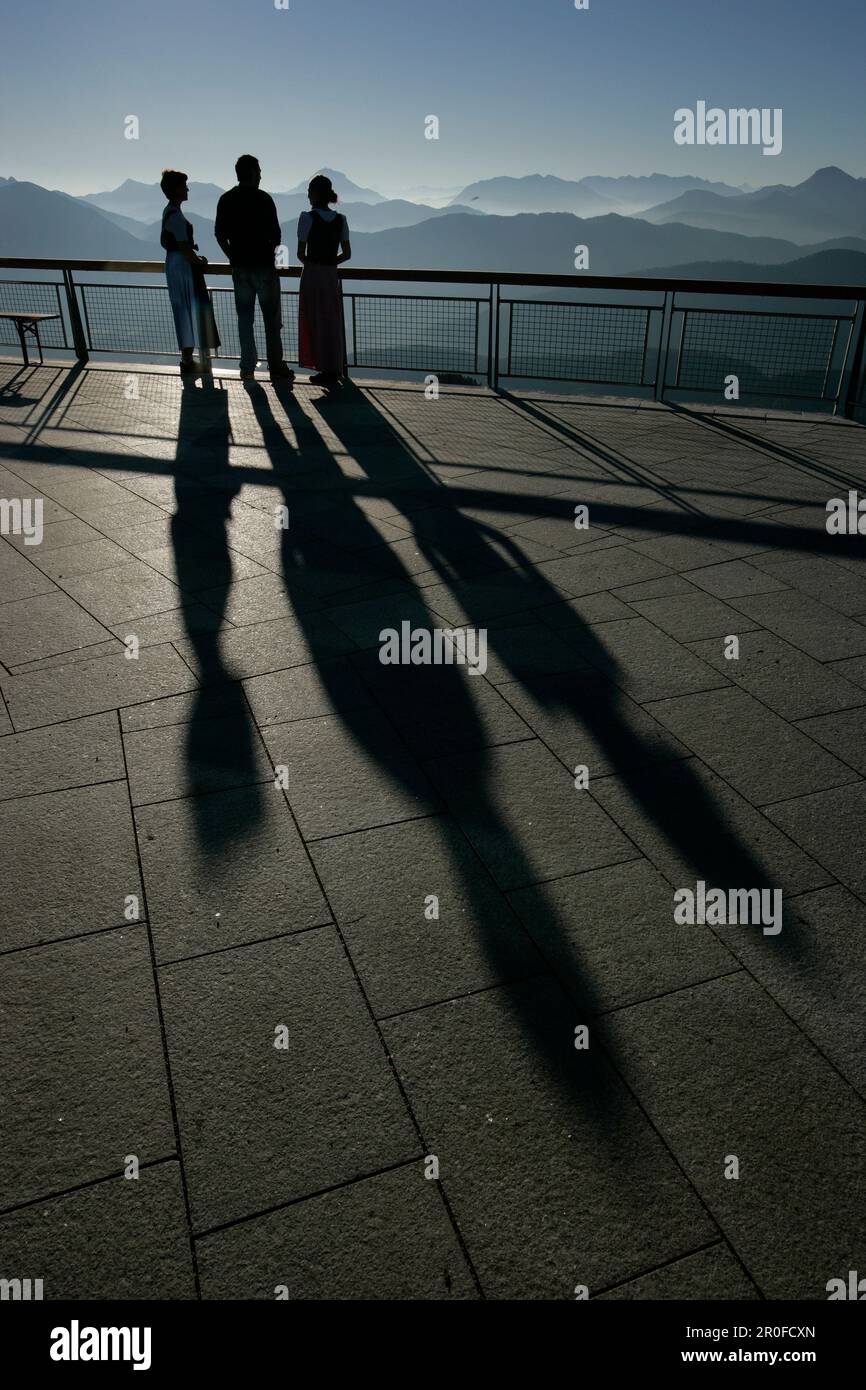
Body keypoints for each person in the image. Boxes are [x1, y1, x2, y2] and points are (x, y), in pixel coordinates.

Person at [215, 155, 294, 384]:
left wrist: (233, 257)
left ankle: (248, 367)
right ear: (251, 172)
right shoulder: (264, 200)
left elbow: (220, 235)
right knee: (271, 321)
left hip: (240, 270)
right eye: (258, 171)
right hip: (265, 268)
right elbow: (277, 236)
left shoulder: (226, 199)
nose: (261, 175)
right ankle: (276, 367)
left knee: (244, 320)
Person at [160, 169, 220, 376]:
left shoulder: (169, 212)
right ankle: (188, 360)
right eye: (184, 186)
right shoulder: (176, 216)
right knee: (188, 308)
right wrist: (199, 261)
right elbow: (184, 248)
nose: (187, 189)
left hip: (175, 265)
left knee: (182, 309)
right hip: (182, 267)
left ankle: (187, 358)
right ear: (176, 190)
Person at [297, 174, 351, 386]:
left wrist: (315, 263)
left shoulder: (307, 218)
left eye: (309, 190)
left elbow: (301, 253)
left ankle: (320, 365)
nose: (308, 195)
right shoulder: (341, 220)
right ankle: (334, 367)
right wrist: (331, 262)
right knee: (331, 319)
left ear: (316, 194)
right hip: (330, 275)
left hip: (312, 274)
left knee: (313, 319)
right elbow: (347, 254)